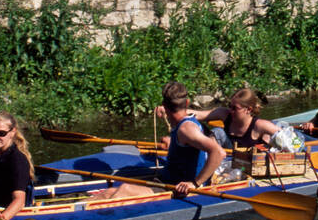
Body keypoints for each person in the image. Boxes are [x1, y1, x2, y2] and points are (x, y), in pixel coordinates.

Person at [97, 82, 226, 199]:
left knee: (125, 189)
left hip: (176, 187)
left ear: (164, 105)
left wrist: (195, 184)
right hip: (166, 180)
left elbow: (219, 153)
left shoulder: (186, 129)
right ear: (187, 103)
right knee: (106, 193)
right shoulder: (188, 120)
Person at [192, 88, 279, 150]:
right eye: (230, 106)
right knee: (209, 130)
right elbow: (197, 115)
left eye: (235, 108)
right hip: (226, 159)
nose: (231, 110)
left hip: (247, 164)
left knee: (218, 132)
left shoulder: (260, 125)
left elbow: (288, 139)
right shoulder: (224, 114)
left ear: (248, 109)